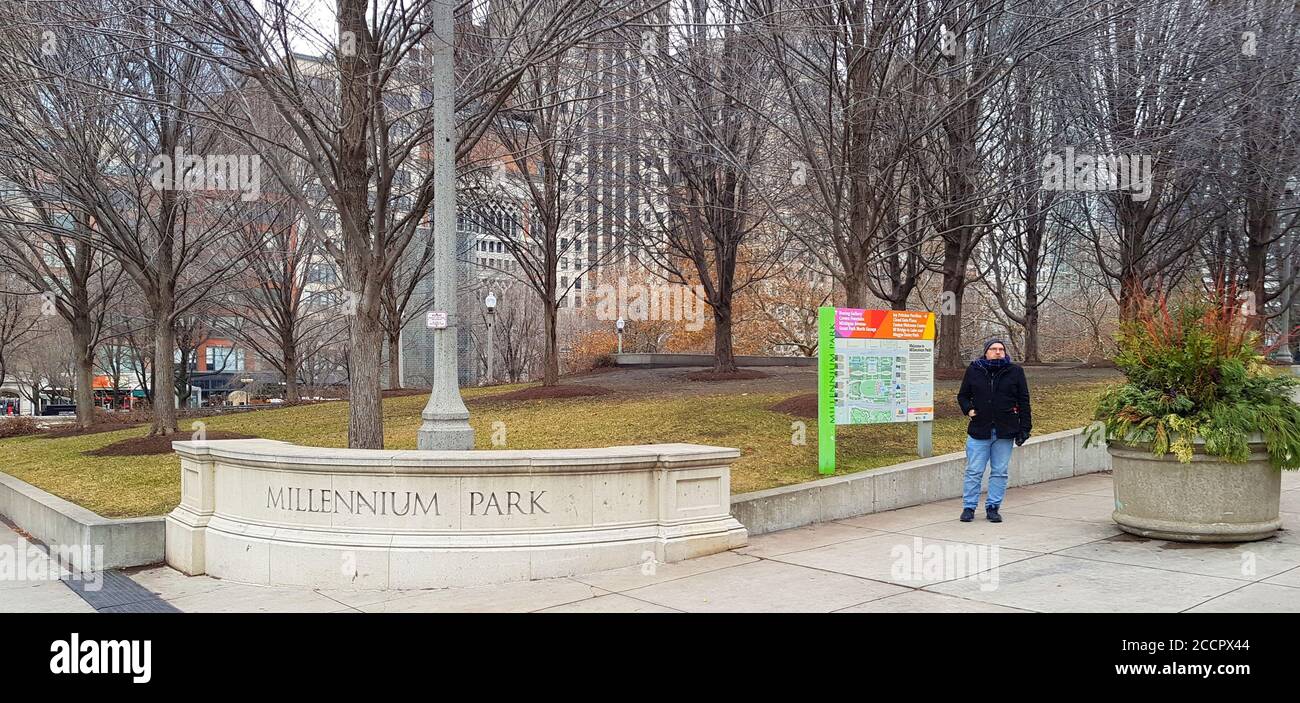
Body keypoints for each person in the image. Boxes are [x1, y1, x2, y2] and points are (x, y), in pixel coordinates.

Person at [956, 338, 1032, 523]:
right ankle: (969, 507)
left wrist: (1025, 428)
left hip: (1005, 430)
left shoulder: (1015, 371)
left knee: (999, 471)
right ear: (986, 352)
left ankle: (993, 507)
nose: (998, 352)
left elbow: (1024, 400)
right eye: (993, 349)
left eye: (1001, 349)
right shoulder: (975, 369)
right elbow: (963, 395)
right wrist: (969, 409)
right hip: (979, 428)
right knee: (974, 470)